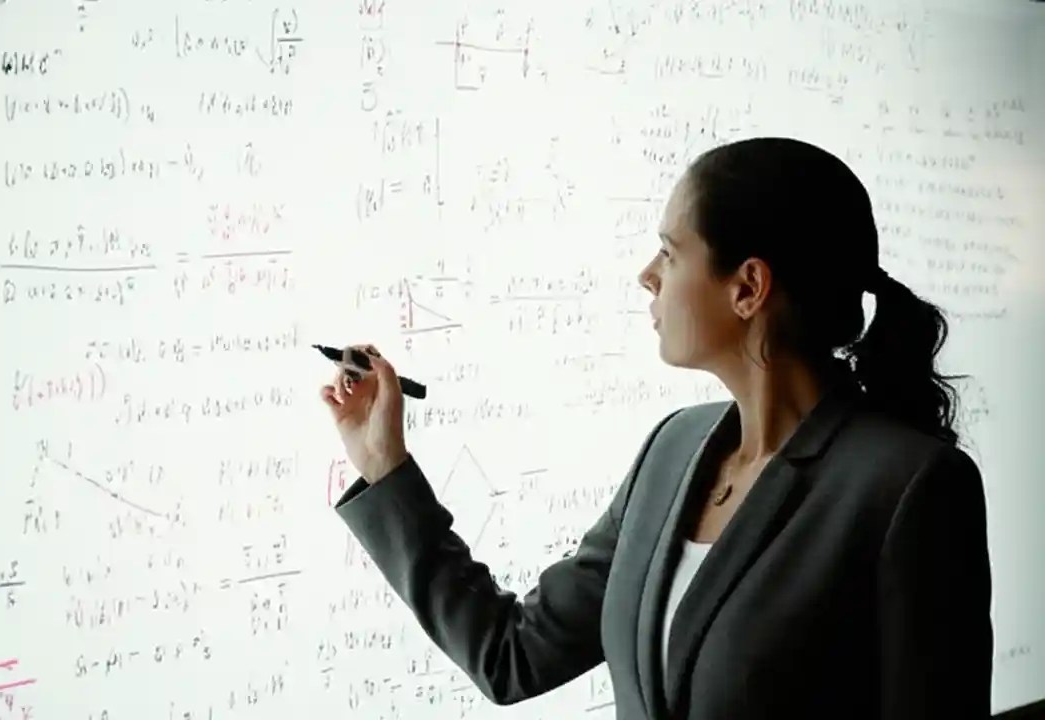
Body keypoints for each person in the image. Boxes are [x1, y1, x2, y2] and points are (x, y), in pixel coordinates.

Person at [318, 137, 993, 720]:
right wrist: (385, 466)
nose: (647, 276)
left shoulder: (909, 487)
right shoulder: (674, 451)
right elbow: (513, 655)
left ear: (748, 287)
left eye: (670, 252)